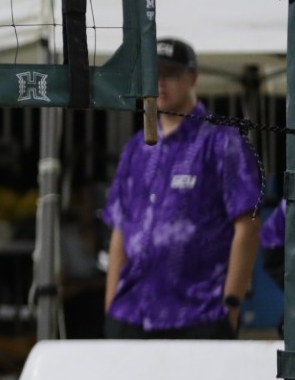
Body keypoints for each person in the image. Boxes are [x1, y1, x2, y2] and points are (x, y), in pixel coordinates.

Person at [103, 38, 260, 339]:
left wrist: (231, 303)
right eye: (153, 73)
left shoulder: (222, 141)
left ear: (193, 77)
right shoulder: (136, 148)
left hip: (199, 313)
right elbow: (119, 230)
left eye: (171, 73)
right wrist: (111, 304)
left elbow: (248, 225)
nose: (160, 82)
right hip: (132, 312)